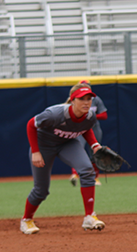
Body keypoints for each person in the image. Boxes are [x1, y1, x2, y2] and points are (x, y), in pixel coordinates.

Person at [19, 82, 106, 234]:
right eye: (82, 99)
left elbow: (86, 128)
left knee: (87, 170)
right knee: (41, 190)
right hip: (44, 145)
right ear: (73, 100)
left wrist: (95, 145)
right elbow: (31, 125)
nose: (86, 102)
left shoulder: (90, 115)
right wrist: (35, 151)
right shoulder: (55, 114)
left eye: (89, 99)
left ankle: (89, 216)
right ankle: (26, 220)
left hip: (67, 143)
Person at [70, 80, 108, 187]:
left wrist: (90, 116)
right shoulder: (74, 100)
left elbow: (104, 115)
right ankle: (75, 174)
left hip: (93, 128)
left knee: (95, 153)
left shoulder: (96, 100)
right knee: (78, 150)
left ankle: (95, 177)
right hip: (79, 129)